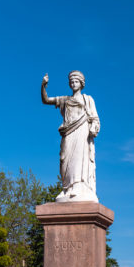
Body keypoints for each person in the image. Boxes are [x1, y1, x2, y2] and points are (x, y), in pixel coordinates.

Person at [41, 70, 100, 201]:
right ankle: (67, 188)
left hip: (82, 132)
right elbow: (46, 100)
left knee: (79, 159)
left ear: (81, 83)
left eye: (76, 81)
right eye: (71, 81)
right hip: (68, 133)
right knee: (65, 159)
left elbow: (95, 118)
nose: (73, 83)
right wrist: (43, 86)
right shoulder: (65, 100)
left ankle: (78, 187)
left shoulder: (88, 99)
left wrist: (94, 128)